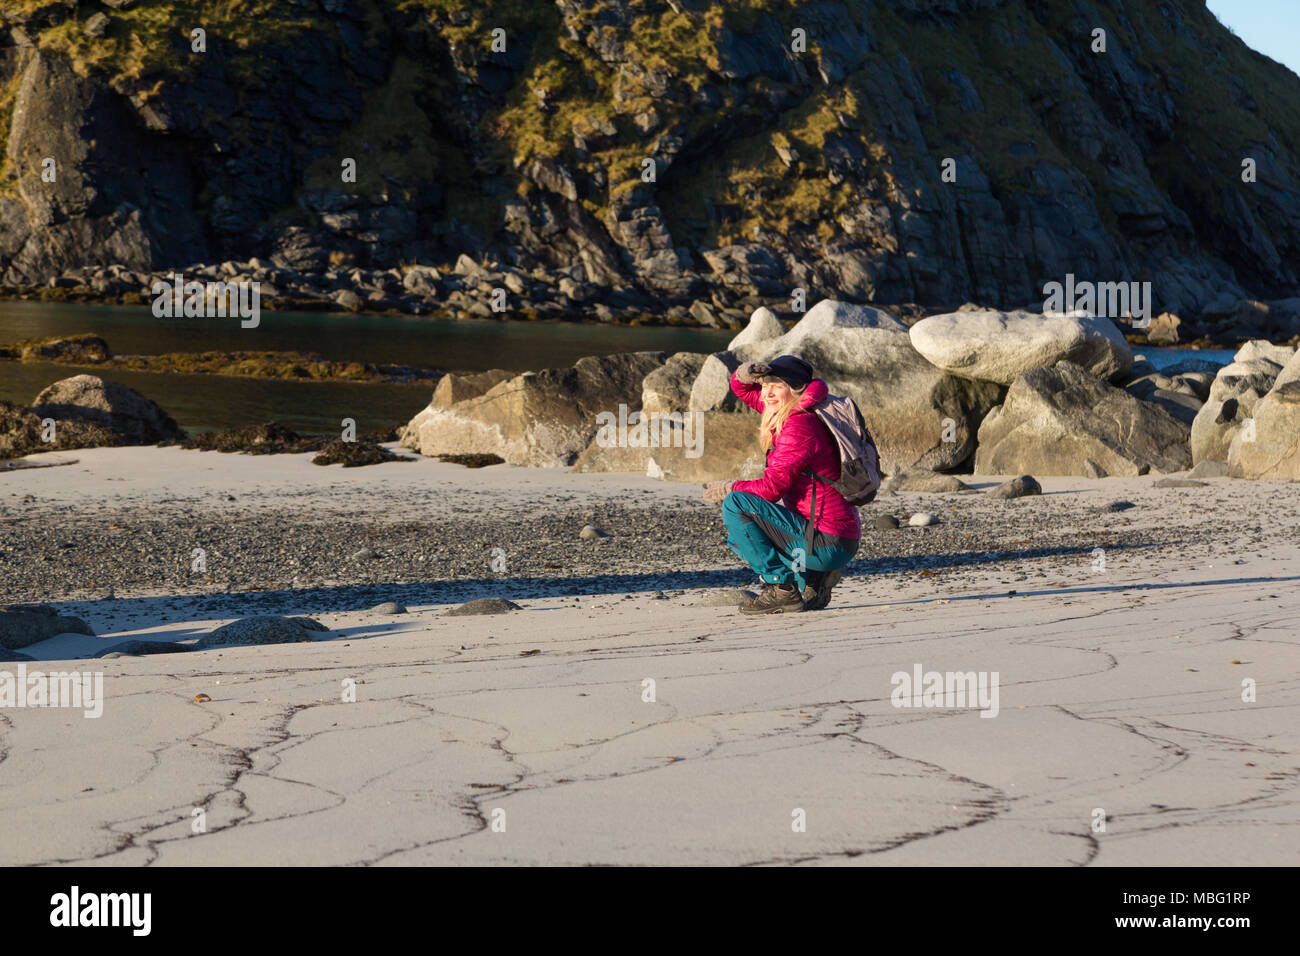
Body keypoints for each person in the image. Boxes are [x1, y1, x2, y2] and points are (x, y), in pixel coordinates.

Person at [702, 355, 861, 613]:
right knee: (739, 538)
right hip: (834, 537)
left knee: (736, 506)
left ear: (795, 390)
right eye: (765, 385)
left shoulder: (799, 425)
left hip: (825, 541)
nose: (767, 393)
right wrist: (744, 374)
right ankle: (812, 580)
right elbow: (742, 390)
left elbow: (770, 490)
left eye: (776, 385)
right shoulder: (796, 410)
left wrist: (730, 488)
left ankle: (782, 589)